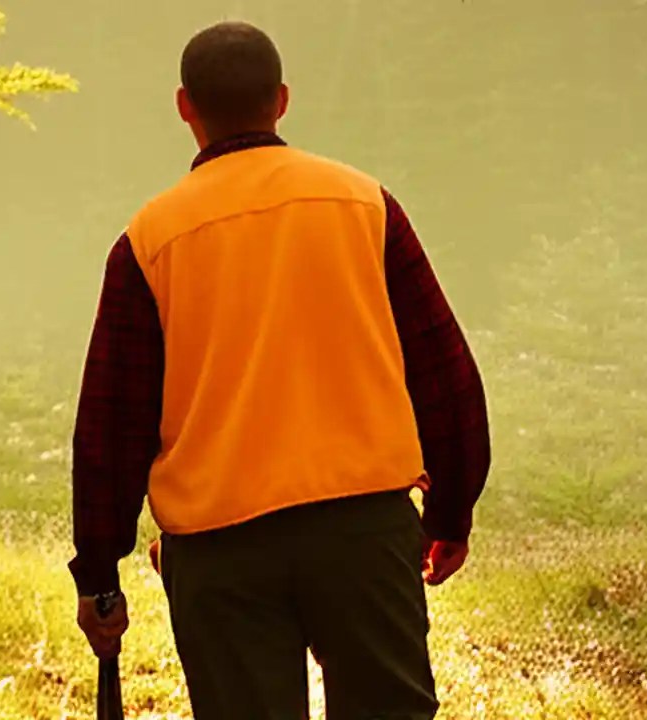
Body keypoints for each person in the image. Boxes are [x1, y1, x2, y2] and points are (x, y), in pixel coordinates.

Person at [69, 20, 490, 719]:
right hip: (364, 535)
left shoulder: (150, 241)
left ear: (185, 107)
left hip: (220, 553)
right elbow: (443, 373)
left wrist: (99, 571)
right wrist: (451, 512)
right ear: (282, 100)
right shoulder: (363, 206)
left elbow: (112, 425)